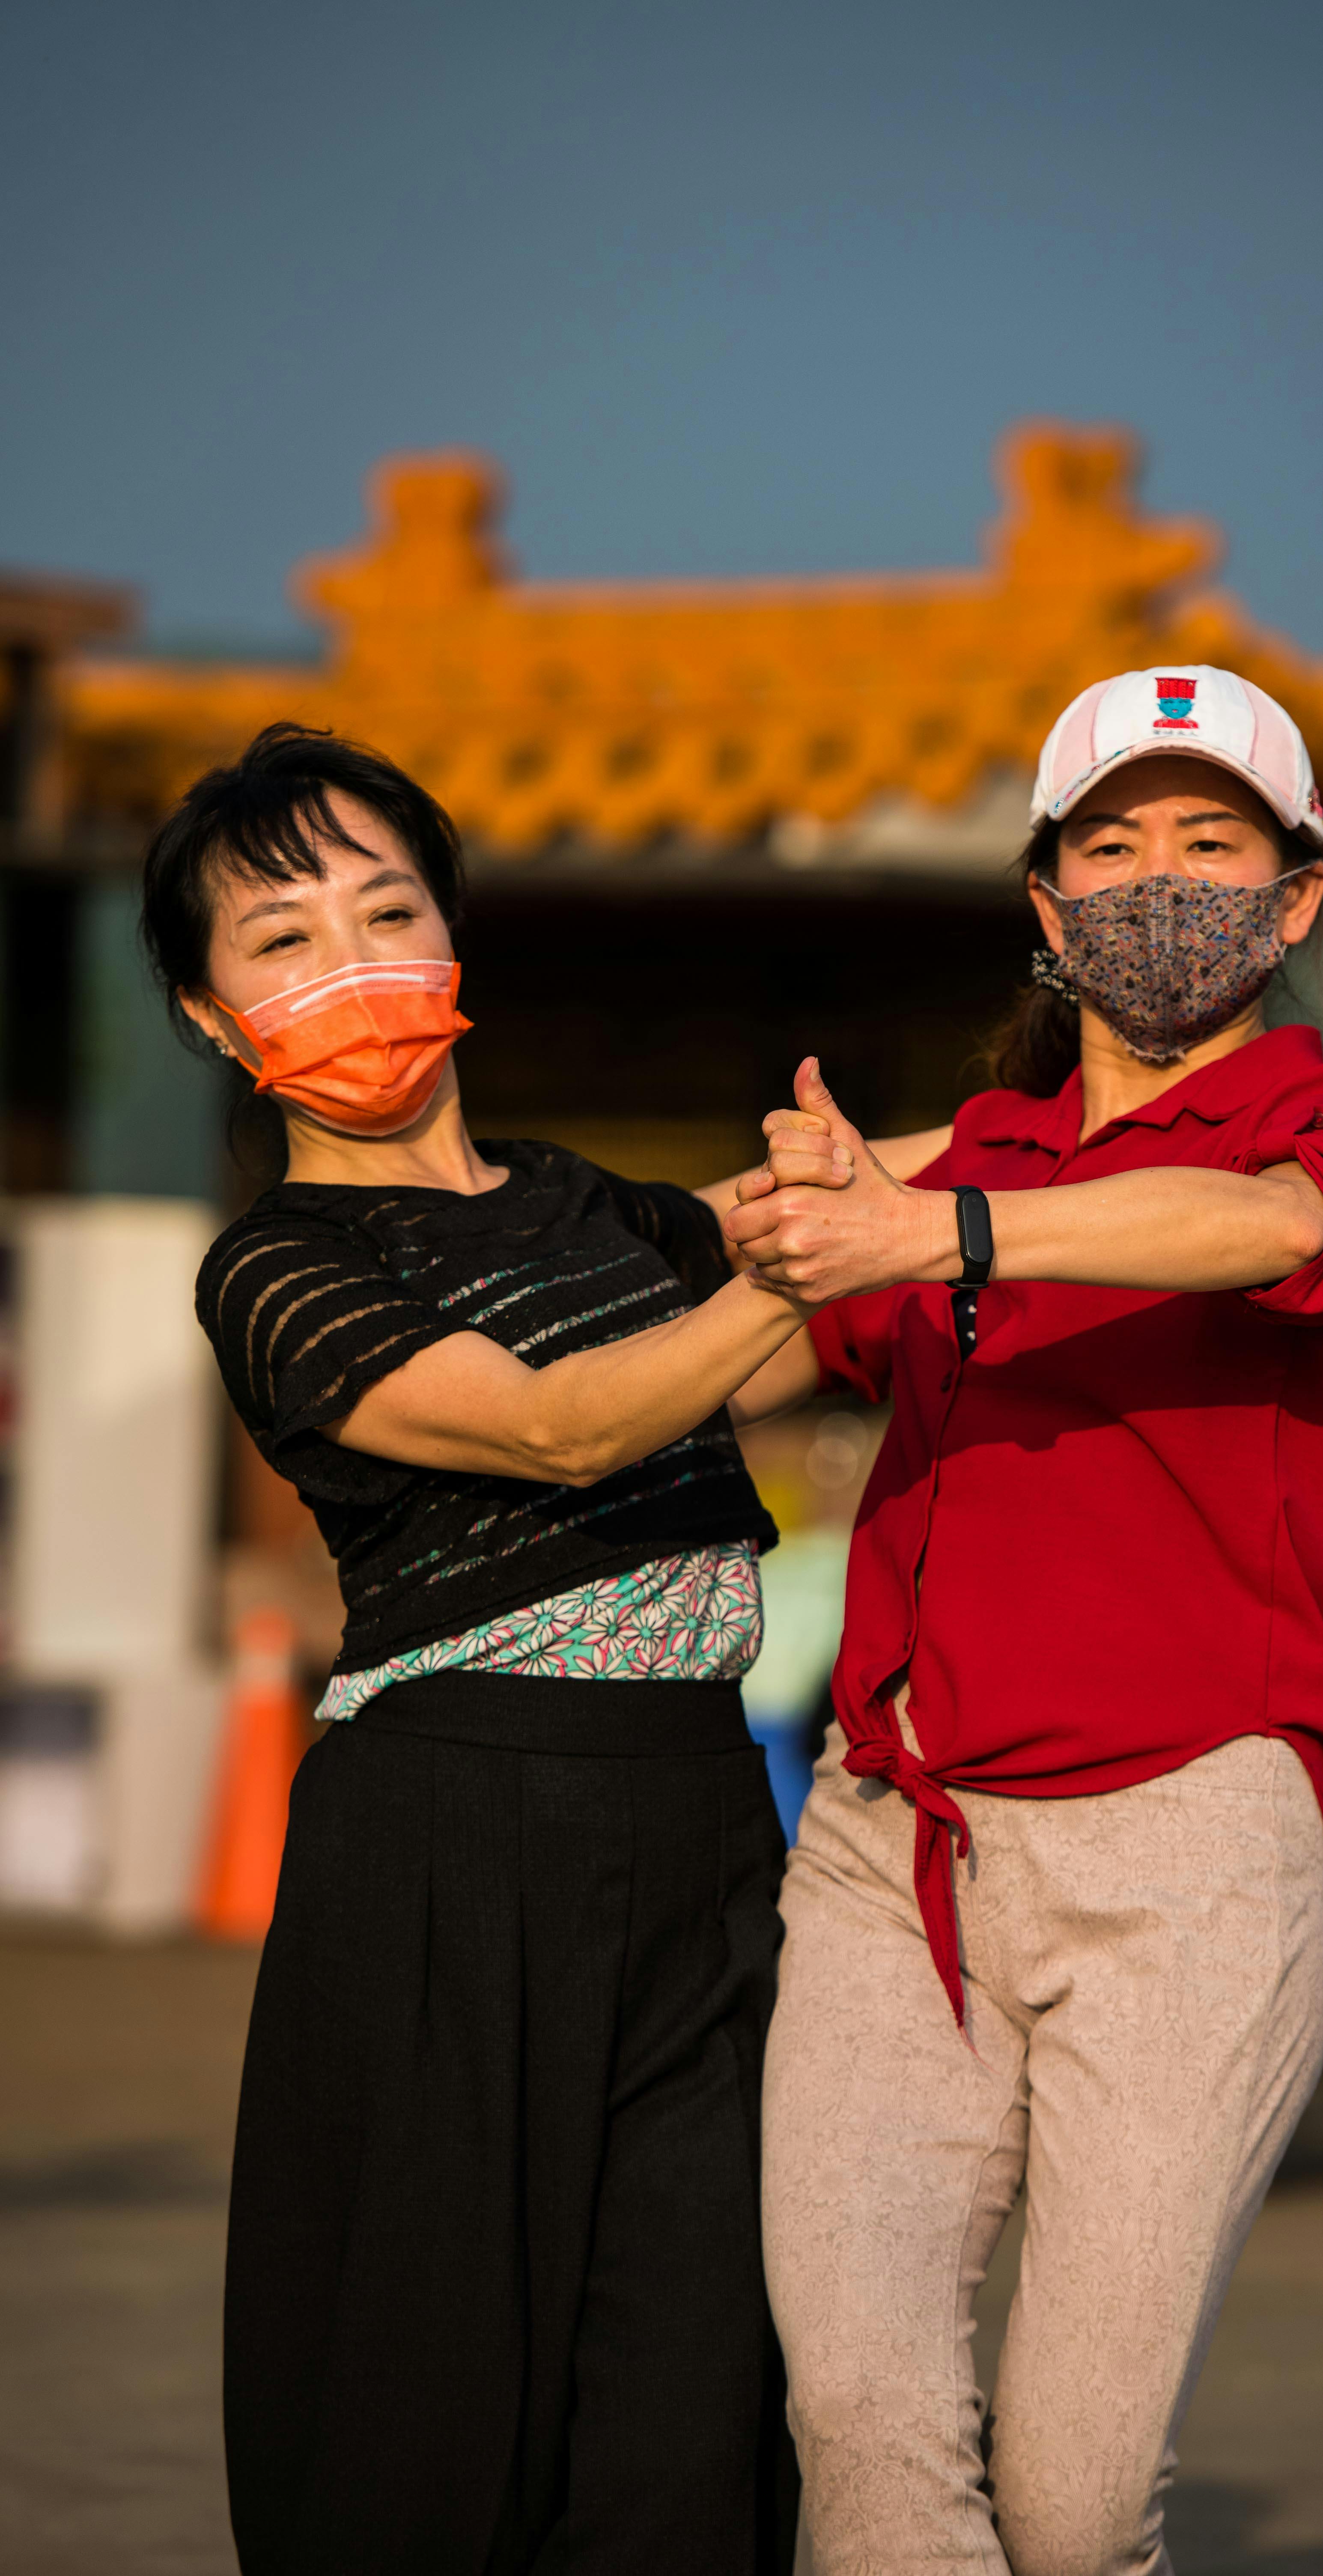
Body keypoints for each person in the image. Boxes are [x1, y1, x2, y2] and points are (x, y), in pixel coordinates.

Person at [720, 667, 1323, 2576]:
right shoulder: (971, 1149)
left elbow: (1260, 1229)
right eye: (1106, 846)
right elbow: (775, 1323)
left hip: (1186, 1853)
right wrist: (763, 1223)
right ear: (1042, 904)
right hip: (894, 1853)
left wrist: (928, 1224)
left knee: (1072, 2494)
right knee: (860, 2429)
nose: (1157, 883)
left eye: (1213, 844)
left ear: (1295, 900)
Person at [141, 722, 818, 2576]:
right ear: (210, 1015)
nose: (348, 958)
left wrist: (1099, 1126)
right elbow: (559, 1428)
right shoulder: (273, 1269)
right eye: (279, 938)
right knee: (426, 2400)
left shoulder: (593, 1204)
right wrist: (781, 1275)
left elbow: (857, 1209)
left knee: (688, 2392)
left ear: (452, 941)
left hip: (701, 1820)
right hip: (453, 1839)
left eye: (385, 904)